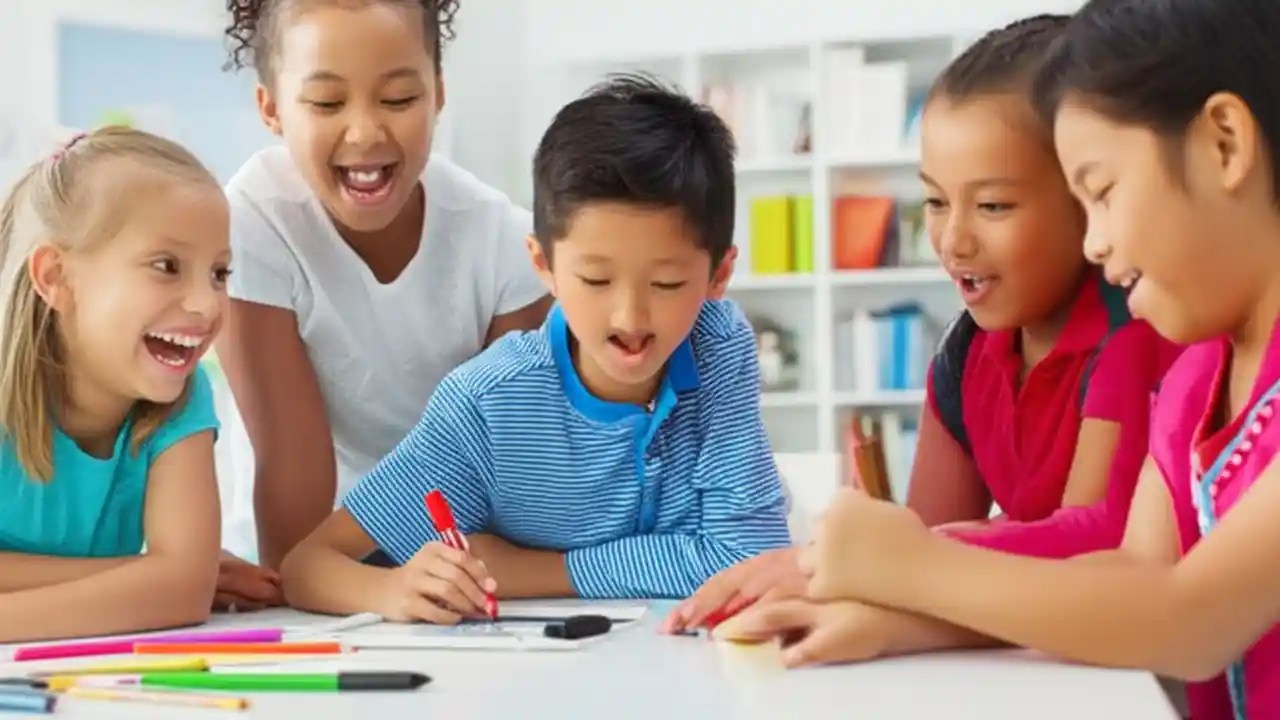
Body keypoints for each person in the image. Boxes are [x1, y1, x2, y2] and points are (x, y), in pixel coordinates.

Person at [733, 2, 1280, 718]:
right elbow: (1130, 577)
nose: (1094, 243)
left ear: (1223, 144)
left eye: (1103, 193)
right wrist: (903, 622)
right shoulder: (1194, 379)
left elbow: (1190, 618)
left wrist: (916, 567)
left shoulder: (1158, 358)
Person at [663, 13, 1181, 635]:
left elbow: (1086, 546)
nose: (953, 239)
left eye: (993, 205)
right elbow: (921, 555)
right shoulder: (962, 358)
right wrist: (831, 578)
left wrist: (864, 569)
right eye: (934, 200)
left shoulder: (1134, 336)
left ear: (1087, 197)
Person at [280, 74, 792, 622]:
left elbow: (750, 560)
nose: (630, 318)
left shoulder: (718, 343)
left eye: (667, 284)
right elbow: (308, 566)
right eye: (596, 280)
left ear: (719, 275)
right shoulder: (488, 403)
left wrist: (529, 570)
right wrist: (391, 591)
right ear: (542, 264)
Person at [214, 0, 551, 605]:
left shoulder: (504, 243)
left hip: (457, 570)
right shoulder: (253, 221)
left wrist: (427, 577)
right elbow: (294, 539)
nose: (366, 132)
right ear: (271, 108)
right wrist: (380, 586)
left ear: (438, 94)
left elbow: (506, 489)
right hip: (299, 584)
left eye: (398, 99)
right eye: (325, 102)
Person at [0, 127, 226, 642]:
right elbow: (177, 581)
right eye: (166, 267)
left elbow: (184, 590)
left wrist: (169, 577)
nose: (208, 305)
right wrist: (139, 575)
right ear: (56, 278)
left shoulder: (183, 396)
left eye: (220, 272)